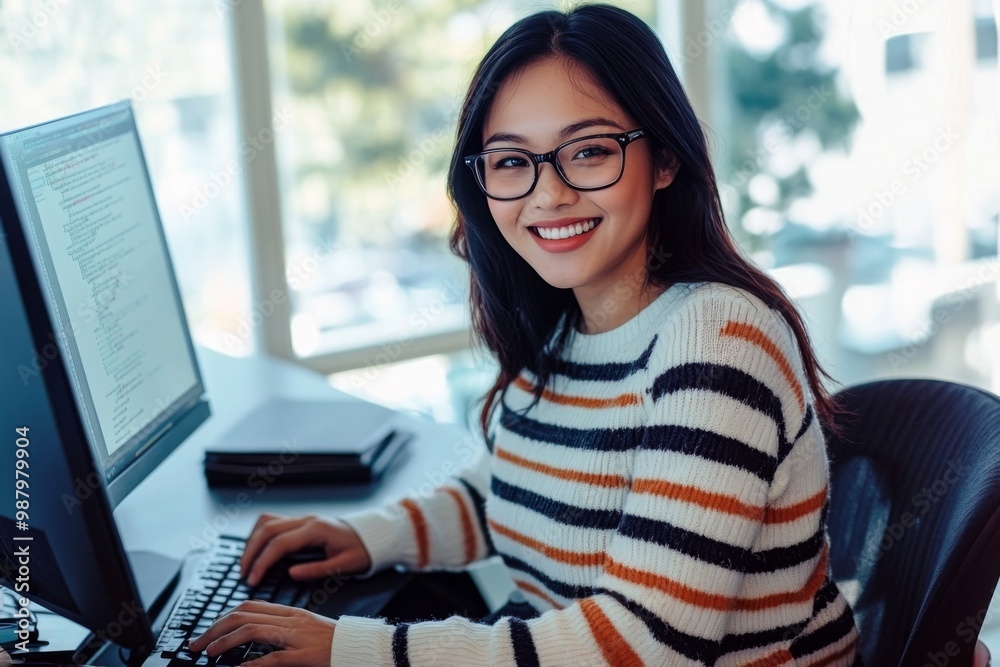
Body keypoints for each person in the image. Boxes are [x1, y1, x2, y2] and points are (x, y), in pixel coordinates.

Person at [188, 4, 861, 665]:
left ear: (664, 160)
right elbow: (514, 491)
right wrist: (367, 536)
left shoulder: (717, 337)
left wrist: (355, 649)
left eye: (589, 151)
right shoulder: (570, 325)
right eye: (512, 162)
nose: (548, 195)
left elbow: (641, 645)